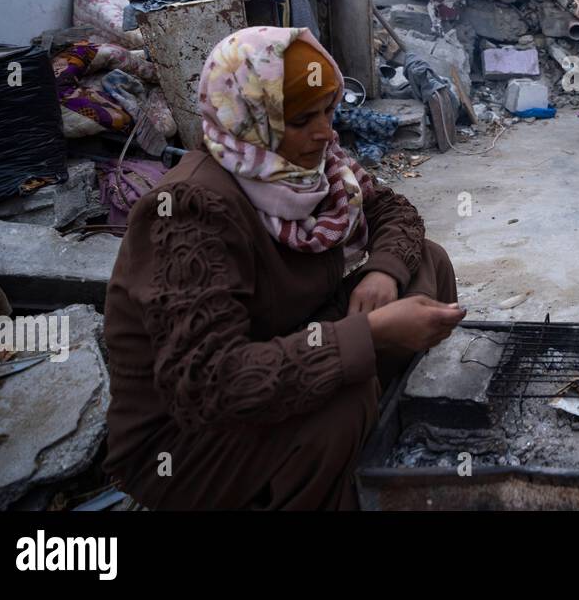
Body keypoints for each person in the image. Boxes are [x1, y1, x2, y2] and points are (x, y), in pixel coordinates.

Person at [103, 26, 465, 510]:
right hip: (189, 437)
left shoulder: (313, 167)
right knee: (343, 400)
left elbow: (393, 211)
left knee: (426, 261)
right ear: (250, 117)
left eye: (328, 112)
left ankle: (372, 443)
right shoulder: (190, 209)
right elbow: (209, 382)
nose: (325, 132)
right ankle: (321, 481)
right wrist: (368, 335)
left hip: (292, 343)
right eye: (301, 119)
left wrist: (383, 272)